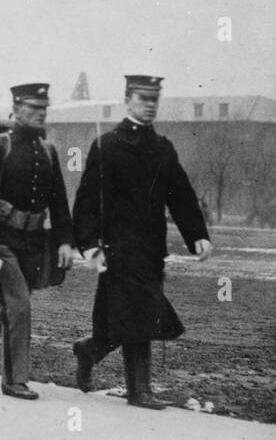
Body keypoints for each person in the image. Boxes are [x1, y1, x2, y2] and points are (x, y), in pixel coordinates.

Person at [71, 75, 213, 409]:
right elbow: (88, 199)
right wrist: (89, 245)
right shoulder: (107, 145)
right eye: (143, 98)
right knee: (143, 314)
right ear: (127, 100)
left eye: (154, 99)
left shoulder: (162, 147)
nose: (150, 105)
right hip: (117, 249)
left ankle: (90, 349)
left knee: (132, 315)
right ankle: (139, 391)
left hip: (152, 250)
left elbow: (181, 195)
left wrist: (198, 236)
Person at [0, 83, 74, 400]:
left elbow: (59, 202)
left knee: (14, 306)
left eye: (43, 108)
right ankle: (14, 380)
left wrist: (65, 241)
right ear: (17, 110)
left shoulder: (47, 150)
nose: (40, 113)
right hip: (0, 239)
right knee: (19, 305)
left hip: (33, 241)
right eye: (33, 108)